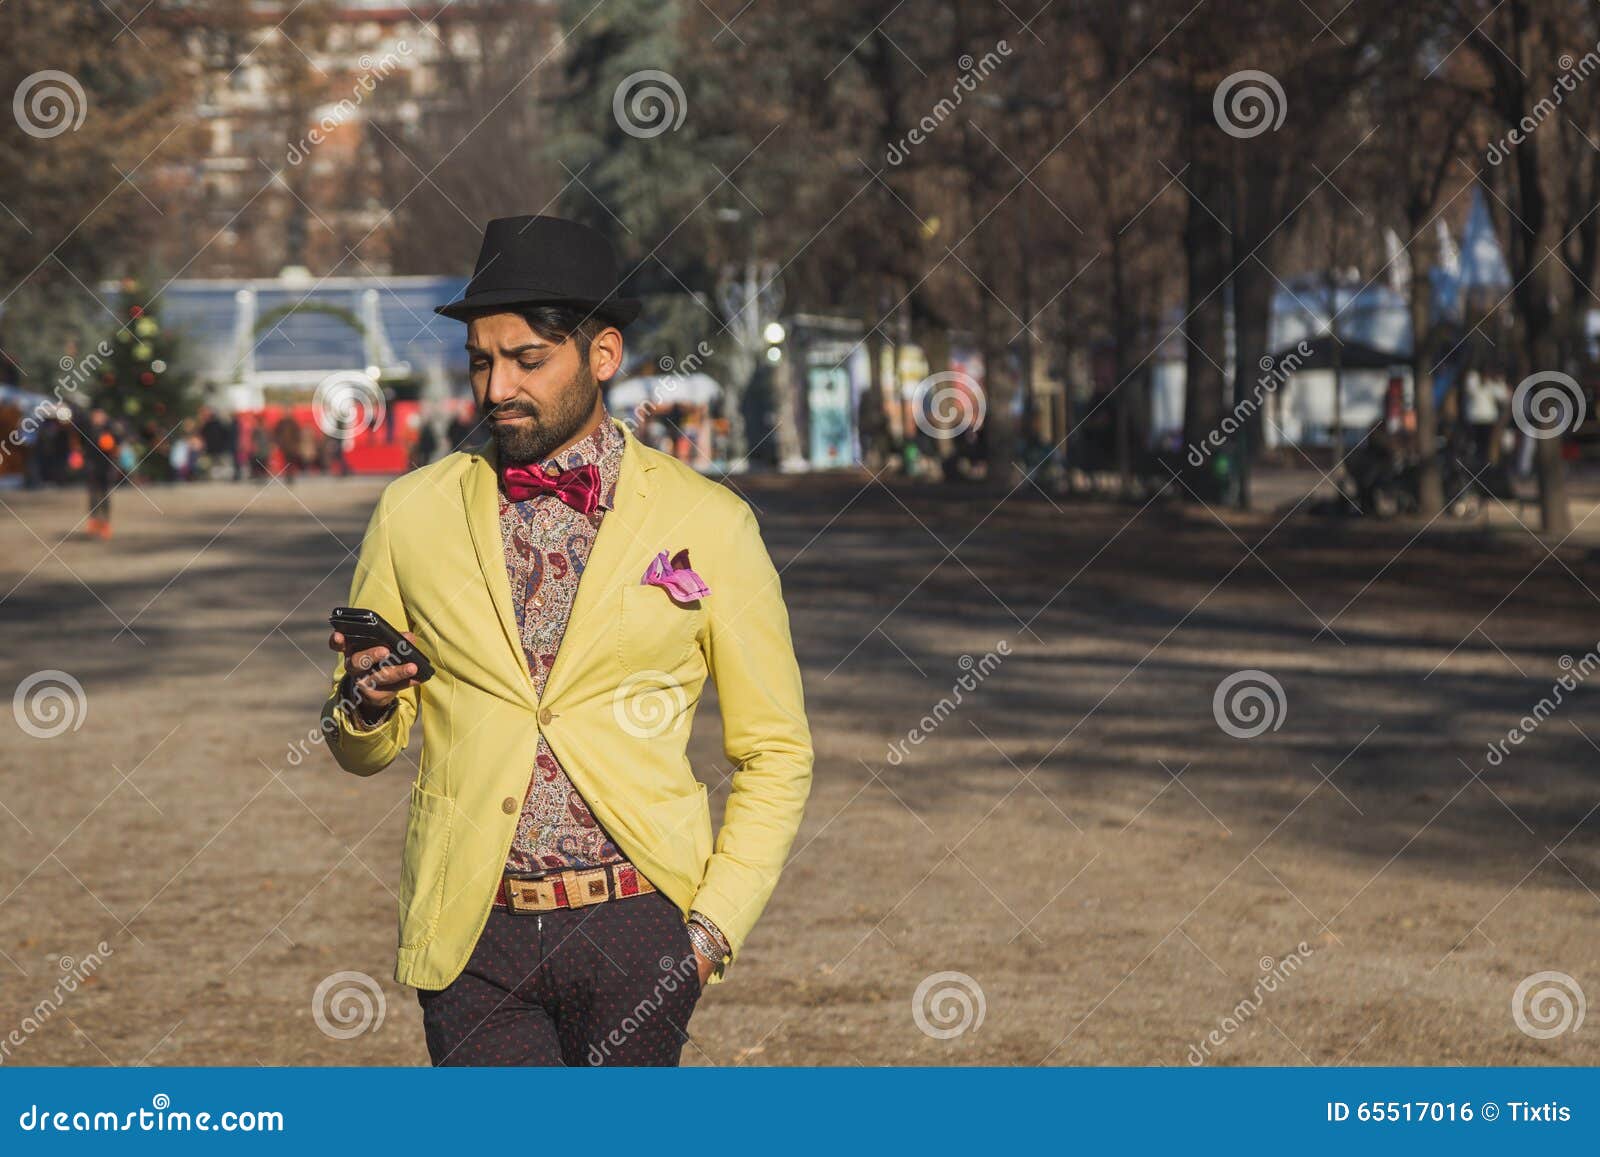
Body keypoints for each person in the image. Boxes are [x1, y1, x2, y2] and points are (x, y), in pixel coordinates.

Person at [320, 216, 812, 1067]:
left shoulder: (711, 522)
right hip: (472, 935)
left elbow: (775, 750)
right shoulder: (412, 511)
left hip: (639, 930)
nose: (497, 385)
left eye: (527, 359)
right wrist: (364, 703)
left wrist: (706, 933)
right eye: (482, 360)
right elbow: (358, 744)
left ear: (604, 355)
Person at [80, 408, 119, 539]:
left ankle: (105, 524)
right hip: (92, 466)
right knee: (92, 494)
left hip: (105, 467)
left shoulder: (110, 430)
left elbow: (116, 443)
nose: (98, 418)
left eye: (100, 416)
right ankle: (93, 522)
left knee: (104, 495)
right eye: (96, 416)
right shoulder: (88, 430)